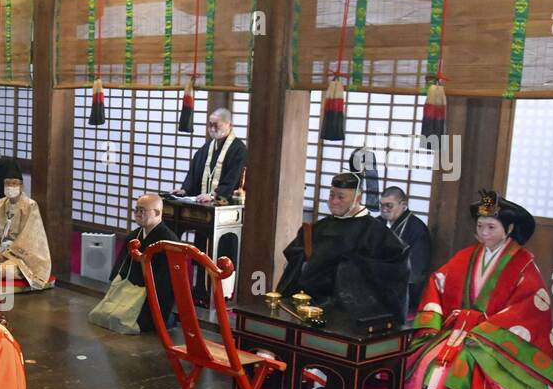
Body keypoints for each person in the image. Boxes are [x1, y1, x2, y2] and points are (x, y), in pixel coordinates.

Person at [403, 191, 553, 389]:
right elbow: (438, 282)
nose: (484, 233)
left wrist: (486, 332)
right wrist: (434, 322)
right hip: (458, 328)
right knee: (425, 360)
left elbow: (532, 305)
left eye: (491, 227)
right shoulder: (466, 256)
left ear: (509, 229)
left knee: (463, 364)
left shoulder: (523, 264)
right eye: (479, 226)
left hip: (495, 339)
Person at [276, 164, 410, 320]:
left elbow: (397, 264)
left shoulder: (375, 232)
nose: (334, 201)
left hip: (350, 309)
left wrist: (347, 269)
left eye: (341, 197)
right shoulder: (319, 227)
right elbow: (296, 255)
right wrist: (304, 261)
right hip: (310, 302)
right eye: (331, 195)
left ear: (357, 198)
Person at [89, 193, 180, 334]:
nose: (137, 214)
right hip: (130, 292)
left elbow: (166, 285)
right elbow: (121, 270)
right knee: (106, 316)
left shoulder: (169, 242)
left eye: (142, 211)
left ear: (156, 212)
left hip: (152, 300)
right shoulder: (134, 236)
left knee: (134, 323)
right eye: (136, 210)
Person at [0, 176, 52, 289]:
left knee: (2, 270)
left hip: (19, 256)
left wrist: (5, 255)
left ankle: (0, 268)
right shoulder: (0, 204)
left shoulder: (30, 206)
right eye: (7, 183)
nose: (10, 187)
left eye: (14, 183)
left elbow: (28, 238)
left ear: (22, 186)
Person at [379, 186, 431, 311]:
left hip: (402, 293)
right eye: (381, 205)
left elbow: (416, 272)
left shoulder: (417, 229)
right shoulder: (377, 224)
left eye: (389, 205)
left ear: (403, 205)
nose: (384, 209)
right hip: (376, 286)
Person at [179, 108, 246, 203]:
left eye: (216, 125)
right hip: (202, 202)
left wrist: (214, 195)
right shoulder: (205, 148)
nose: (212, 129)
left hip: (224, 204)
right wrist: (185, 190)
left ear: (230, 125)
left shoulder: (238, 150)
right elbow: (193, 173)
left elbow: (233, 179)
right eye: (210, 125)